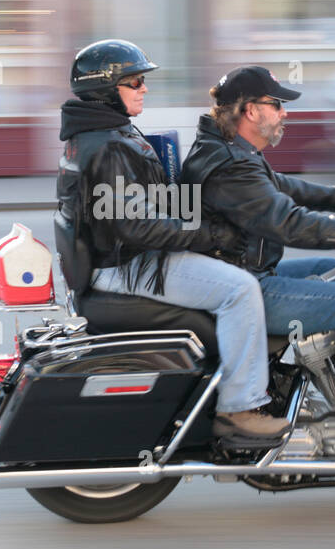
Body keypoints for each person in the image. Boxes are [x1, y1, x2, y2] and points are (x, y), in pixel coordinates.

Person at [180, 65, 335, 466]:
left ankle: (328, 385)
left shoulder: (233, 152)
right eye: (276, 105)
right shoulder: (230, 165)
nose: (285, 113)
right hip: (245, 283)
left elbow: (293, 190)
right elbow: (291, 223)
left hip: (249, 269)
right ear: (250, 111)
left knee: (334, 268)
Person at [56, 41, 290, 445]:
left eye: (142, 80)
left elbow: (146, 204)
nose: (144, 88)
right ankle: (241, 409)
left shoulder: (105, 133)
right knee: (240, 289)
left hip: (122, 259)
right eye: (134, 81)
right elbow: (137, 227)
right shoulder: (108, 145)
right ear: (105, 88)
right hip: (127, 267)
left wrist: (208, 209)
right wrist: (213, 234)